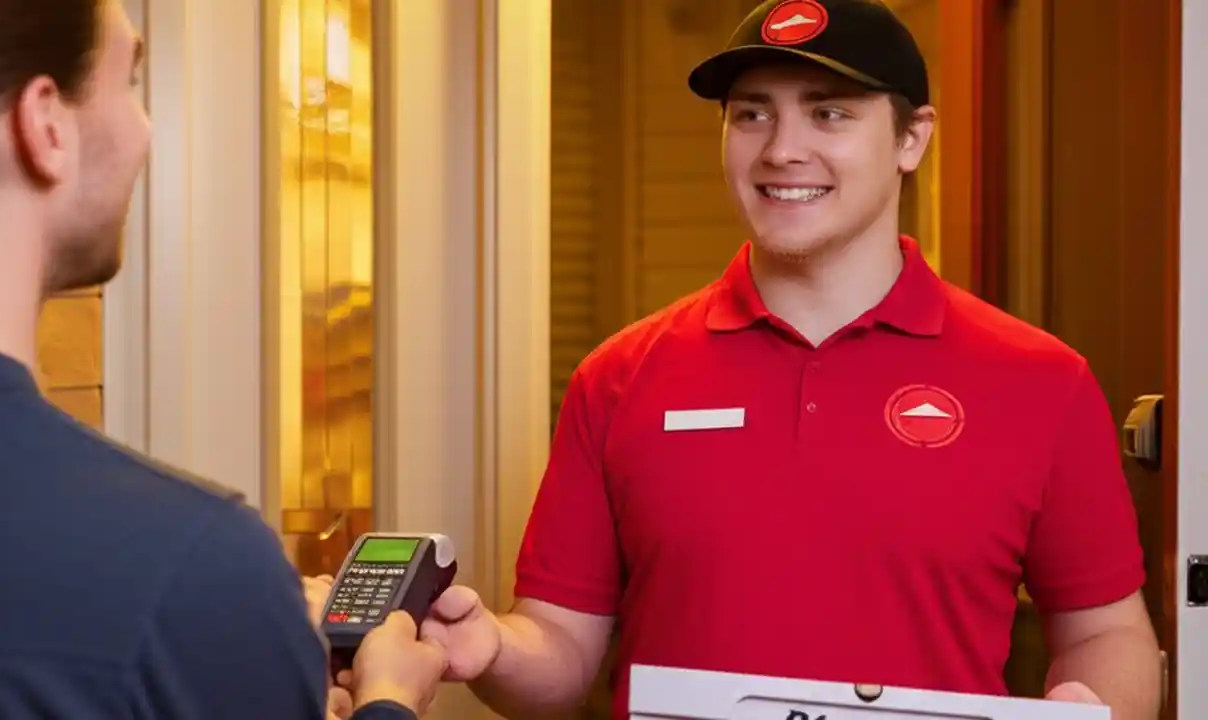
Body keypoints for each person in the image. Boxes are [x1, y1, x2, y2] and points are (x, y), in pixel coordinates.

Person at [419, 1, 1163, 719]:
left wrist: (1092, 708)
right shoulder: (618, 377)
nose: (781, 148)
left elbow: (1106, 632)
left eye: (829, 111)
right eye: (752, 113)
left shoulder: (1041, 382)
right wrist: (490, 649)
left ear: (913, 138)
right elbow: (559, 652)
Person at [0, 2, 444, 719]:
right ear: (46, 125)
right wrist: (388, 701)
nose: (144, 130)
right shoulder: (192, 567)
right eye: (130, 80)